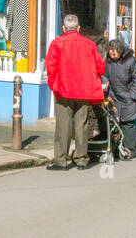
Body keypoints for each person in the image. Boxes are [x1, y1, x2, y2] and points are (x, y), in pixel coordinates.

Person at [45, 14, 107, 170]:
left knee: (63, 126)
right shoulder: (89, 44)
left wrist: (54, 85)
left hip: (63, 90)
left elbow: (51, 68)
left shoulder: (56, 43)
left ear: (64, 28)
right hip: (83, 90)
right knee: (82, 125)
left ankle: (62, 160)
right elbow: (100, 66)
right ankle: (81, 159)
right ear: (78, 28)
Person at [105, 38, 136, 158]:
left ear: (120, 51)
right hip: (114, 97)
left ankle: (129, 149)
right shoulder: (108, 61)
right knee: (115, 123)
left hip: (129, 98)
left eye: (114, 53)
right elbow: (104, 76)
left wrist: (133, 96)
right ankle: (116, 148)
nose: (112, 55)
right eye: (110, 53)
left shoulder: (131, 61)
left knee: (129, 125)